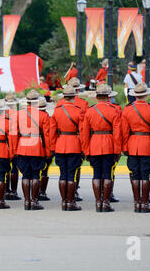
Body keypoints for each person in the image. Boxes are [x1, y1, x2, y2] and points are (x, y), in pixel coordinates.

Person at [81, 83, 122, 212]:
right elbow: (117, 133)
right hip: (109, 144)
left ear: (97, 96)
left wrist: (86, 150)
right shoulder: (114, 110)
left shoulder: (90, 111)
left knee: (96, 174)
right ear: (108, 96)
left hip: (94, 144)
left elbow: (85, 133)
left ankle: (98, 203)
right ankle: (106, 202)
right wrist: (117, 150)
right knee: (107, 174)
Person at [121, 83, 150, 213]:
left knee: (134, 174)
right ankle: (145, 203)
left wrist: (124, 146)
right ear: (146, 94)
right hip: (147, 144)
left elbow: (124, 131)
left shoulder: (127, 109)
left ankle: (137, 203)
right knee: (146, 175)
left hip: (132, 144)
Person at [14, 90, 51, 211]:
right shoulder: (43, 115)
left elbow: (14, 134)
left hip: (22, 146)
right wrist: (48, 151)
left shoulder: (18, 114)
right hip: (36, 147)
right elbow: (47, 135)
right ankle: (34, 201)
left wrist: (14, 150)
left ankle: (26, 201)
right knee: (36, 174)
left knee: (25, 175)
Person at [50, 85, 84, 211]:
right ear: (74, 97)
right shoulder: (78, 110)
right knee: (71, 175)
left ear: (64, 97)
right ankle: (70, 202)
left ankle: (64, 202)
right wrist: (83, 147)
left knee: (62, 174)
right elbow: (82, 131)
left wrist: (52, 147)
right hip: (74, 144)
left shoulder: (57, 111)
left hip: (60, 144)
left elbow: (52, 131)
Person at [56, 77, 88, 202]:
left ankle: (64, 199)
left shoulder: (59, 105)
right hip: (76, 140)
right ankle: (73, 194)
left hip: (61, 141)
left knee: (63, 173)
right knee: (74, 171)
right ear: (78, 90)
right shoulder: (83, 104)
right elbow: (84, 126)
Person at [4, 92, 21, 201]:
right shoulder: (18, 114)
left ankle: (5, 191)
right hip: (16, 142)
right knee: (14, 168)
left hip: (3, 143)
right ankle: (13, 191)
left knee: (5, 168)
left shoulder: (1, 113)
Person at [37, 97, 52, 202]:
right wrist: (48, 151)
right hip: (41, 146)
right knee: (44, 170)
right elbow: (47, 135)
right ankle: (41, 192)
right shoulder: (45, 116)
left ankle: (32, 193)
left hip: (27, 146)